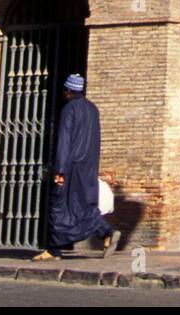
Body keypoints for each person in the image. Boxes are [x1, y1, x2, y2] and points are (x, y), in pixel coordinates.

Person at [32, 74, 120, 261]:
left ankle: (53, 249)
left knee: (58, 205)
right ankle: (106, 232)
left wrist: (59, 170)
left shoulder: (69, 109)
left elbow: (64, 141)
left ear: (68, 91)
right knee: (84, 206)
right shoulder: (92, 109)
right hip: (88, 166)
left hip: (71, 166)